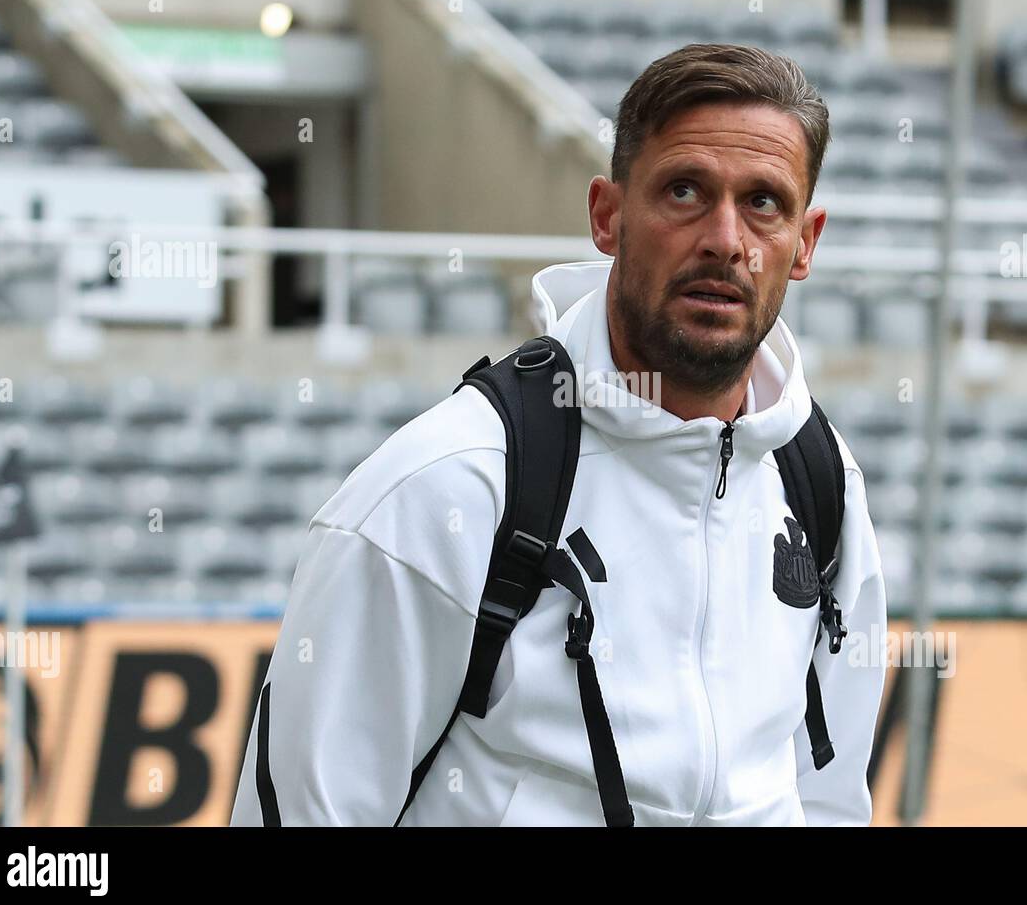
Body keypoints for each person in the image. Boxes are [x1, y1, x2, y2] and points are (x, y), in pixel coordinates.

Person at [232, 43, 887, 826]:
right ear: (607, 216)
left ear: (805, 242)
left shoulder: (822, 483)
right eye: (685, 191)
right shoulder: (448, 484)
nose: (725, 238)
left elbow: (829, 798)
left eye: (764, 204)